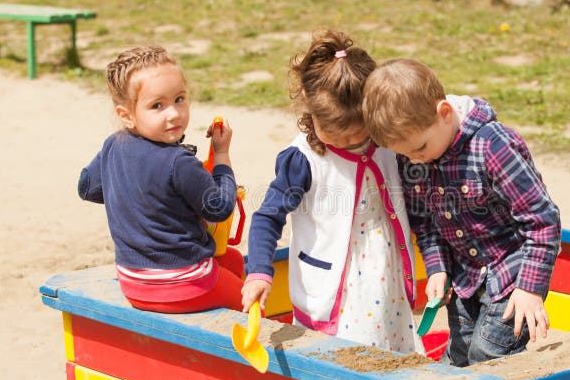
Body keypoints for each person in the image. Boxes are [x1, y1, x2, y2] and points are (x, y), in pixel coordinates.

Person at [362, 58, 561, 366]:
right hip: (466, 276)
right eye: (403, 155)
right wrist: (438, 268)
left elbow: (542, 219)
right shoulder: (413, 159)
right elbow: (426, 225)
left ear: (444, 114)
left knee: (489, 353)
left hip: (513, 272)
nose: (414, 161)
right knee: (460, 353)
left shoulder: (492, 146)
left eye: (419, 149)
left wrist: (530, 289)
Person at [243, 30, 423, 354]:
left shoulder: (388, 140)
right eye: (337, 134)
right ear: (310, 114)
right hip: (334, 282)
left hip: (385, 269)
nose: (351, 142)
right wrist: (258, 272)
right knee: (348, 354)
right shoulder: (303, 159)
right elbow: (268, 217)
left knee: (391, 347)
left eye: (359, 132)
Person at [78, 45, 245, 313]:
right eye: (157, 105)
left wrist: (137, 201)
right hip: (184, 282)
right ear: (127, 115)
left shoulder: (113, 145)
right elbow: (219, 209)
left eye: (179, 99)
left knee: (233, 261)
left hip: (133, 282)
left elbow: (87, 187)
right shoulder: (178, 162)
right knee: (254, 302)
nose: (174, 113)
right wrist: (222, 154)